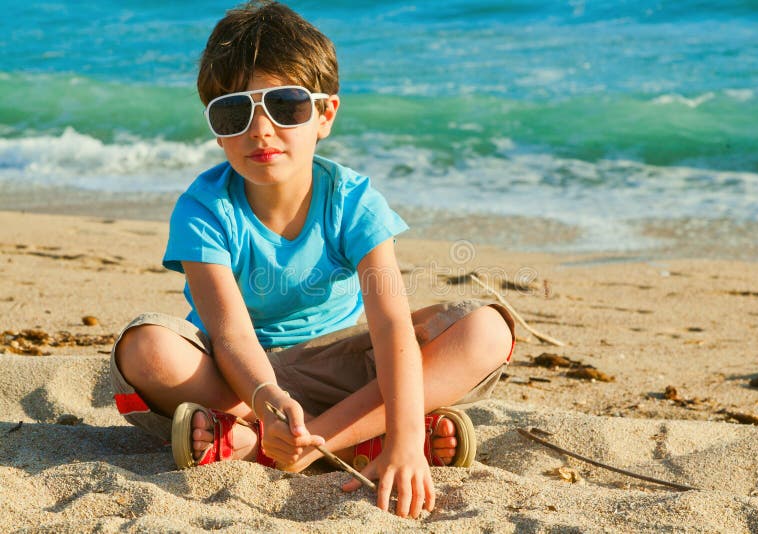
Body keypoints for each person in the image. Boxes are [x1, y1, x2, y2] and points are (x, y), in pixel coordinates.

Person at [109, 0, 514, 519]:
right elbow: (231, 335)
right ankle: (351, 443)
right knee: (145, 346)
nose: (260, 129)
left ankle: (291, 444)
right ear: (216, 127)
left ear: (325, 115)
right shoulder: (203, 209)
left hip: (338, 365)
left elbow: (390, 325)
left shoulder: (353, 201)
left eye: (286, 106)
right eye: (235, 112)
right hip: (236, 379)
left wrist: (409, 441)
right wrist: (270, 402)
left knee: (486, 331)